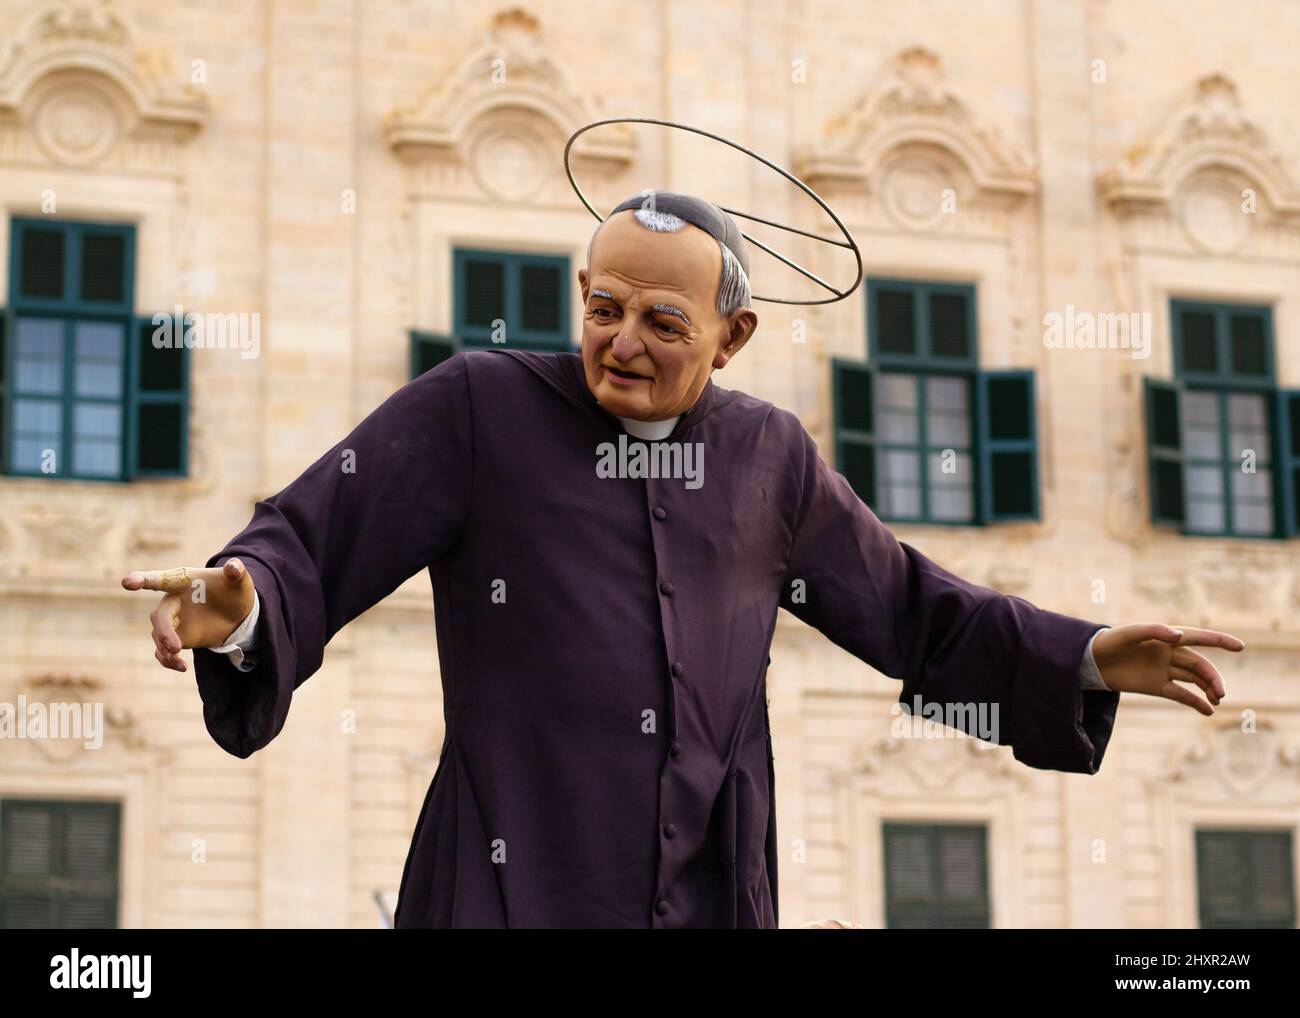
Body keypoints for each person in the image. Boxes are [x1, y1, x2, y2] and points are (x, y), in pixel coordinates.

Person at [121, 191, 1244, 928]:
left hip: (707, 887)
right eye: (603, 309)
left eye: (663, 321)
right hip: (506, 881)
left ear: (731, 335)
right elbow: (316, 530)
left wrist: (1084, 658)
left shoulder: (770, 458)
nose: (622, 342)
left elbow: (913, 611)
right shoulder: (478, 407)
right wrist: (247, 597)